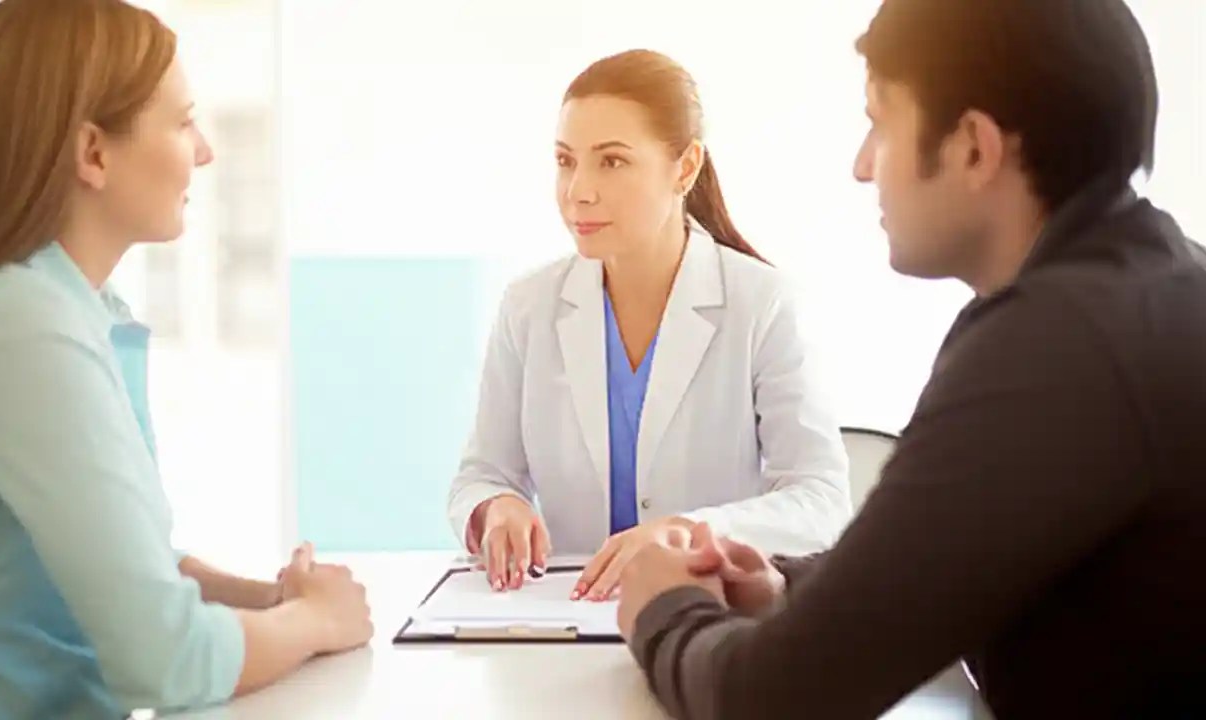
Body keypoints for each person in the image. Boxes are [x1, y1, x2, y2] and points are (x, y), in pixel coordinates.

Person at [615, 0, 1206, 717]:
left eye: (879, 121)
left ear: (973, 147)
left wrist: (664, 607)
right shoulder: (1148, 289)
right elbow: (954, 551)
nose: (863, 166)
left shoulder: (1059, 345)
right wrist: (782, 581)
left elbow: (773, 699)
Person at [0, 1, 371, 718]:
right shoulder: (18, 327)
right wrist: (315, 623)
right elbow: (165, 660)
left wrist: (268, 600)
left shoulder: (63, 308)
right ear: (93, 153)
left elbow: (124, 569)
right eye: (183, 121)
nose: (204, 151)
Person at [446, 49, 851, 597]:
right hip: (563, 621)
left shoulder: (762, 303)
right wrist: (498, 507)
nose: (578, 191)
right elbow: (482, 474)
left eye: (611, 161)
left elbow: (821, 500)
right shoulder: (528, 307)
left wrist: (687, 533)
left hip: (708, 619)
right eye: (566, 161)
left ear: (685, 167)